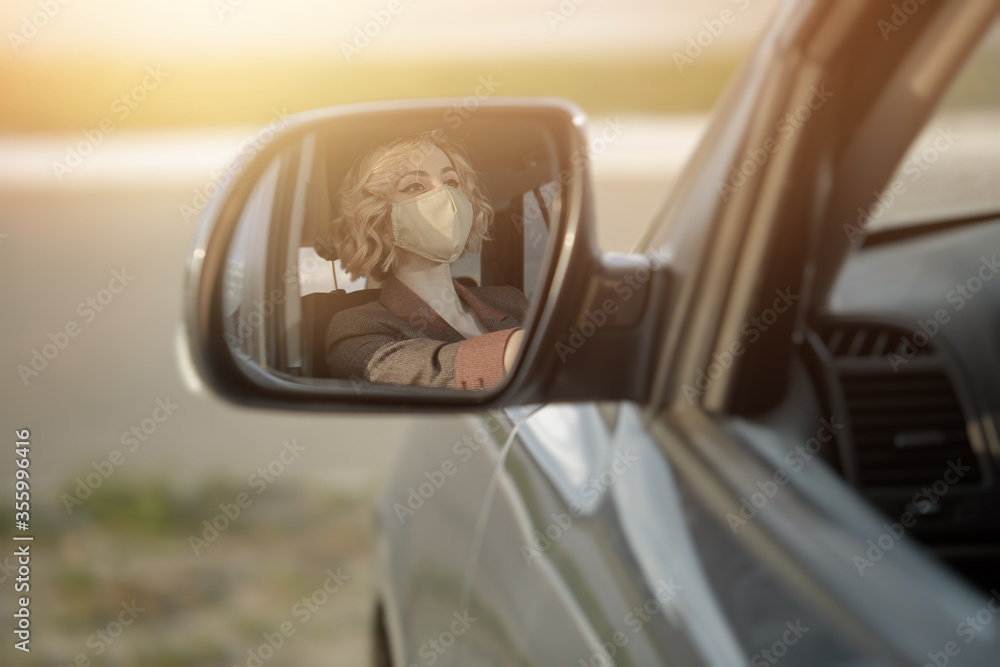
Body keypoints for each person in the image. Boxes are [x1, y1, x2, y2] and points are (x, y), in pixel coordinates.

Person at [325, 131, 527, 389]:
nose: (445, 195)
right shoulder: (356, 327)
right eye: (415, 186)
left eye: (451, 182)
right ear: (379, 219)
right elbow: (436, 371)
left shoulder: (512, 300)